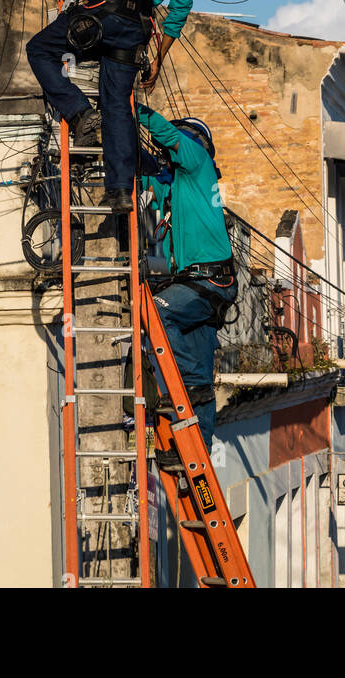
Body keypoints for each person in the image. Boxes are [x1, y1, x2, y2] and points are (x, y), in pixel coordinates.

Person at [26, 0, 202, 213]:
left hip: (103, 14)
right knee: (118, 105)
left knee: (40, 49)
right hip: (136, 29)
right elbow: (179, 10)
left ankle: (79, 114)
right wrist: (159, 59)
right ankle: (120, 190)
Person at [137, 102, 237, 456]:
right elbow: (148, 179)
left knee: (157, 313)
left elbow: (166, 133)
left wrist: (128, 105)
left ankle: (188, 383)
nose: (166, 153)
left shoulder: (197, 161)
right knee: (202, 382)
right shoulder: (180, 184)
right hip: (202, 284)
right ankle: (197, 450)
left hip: (208, 281)